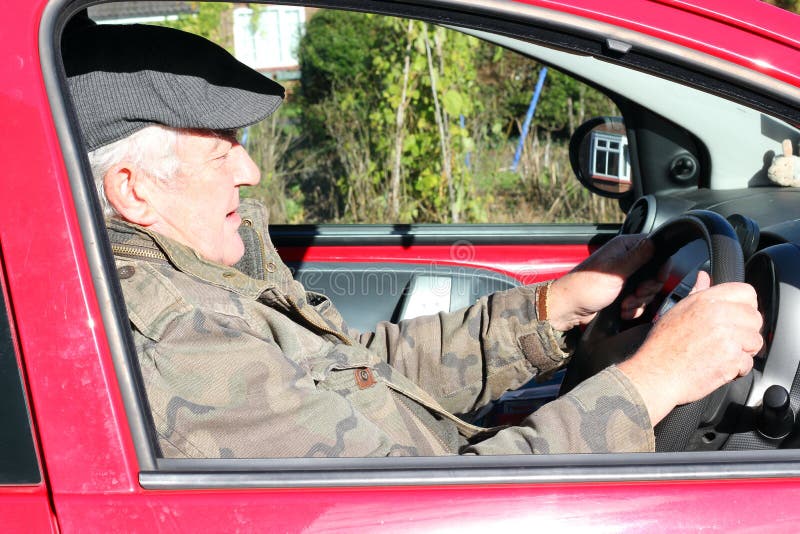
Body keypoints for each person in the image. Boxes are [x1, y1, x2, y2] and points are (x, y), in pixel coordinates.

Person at [62, 21, 763, 458]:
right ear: (134, 189)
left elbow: (349, 372)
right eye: (221, 152)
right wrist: (653, 381)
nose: (248, 171)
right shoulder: (182, 351)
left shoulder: (196, 275)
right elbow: (439, 506)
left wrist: (549, 313)